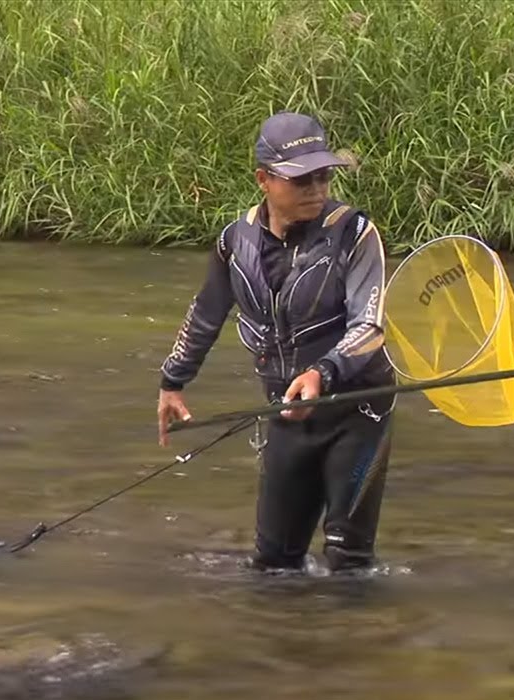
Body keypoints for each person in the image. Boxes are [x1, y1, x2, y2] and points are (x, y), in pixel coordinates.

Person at [156, 111, 397, 573]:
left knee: (348, 559)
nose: (317, 189)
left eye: (323, 176)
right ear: (264, 180)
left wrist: (321, 373)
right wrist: (172, 382)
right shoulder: (234, 241)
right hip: (285, 411)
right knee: (273, 562)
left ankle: (351, 640)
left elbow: (370, 326)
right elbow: (206, 314)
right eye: (301, 179)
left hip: (359, 409)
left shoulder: (355, 233)